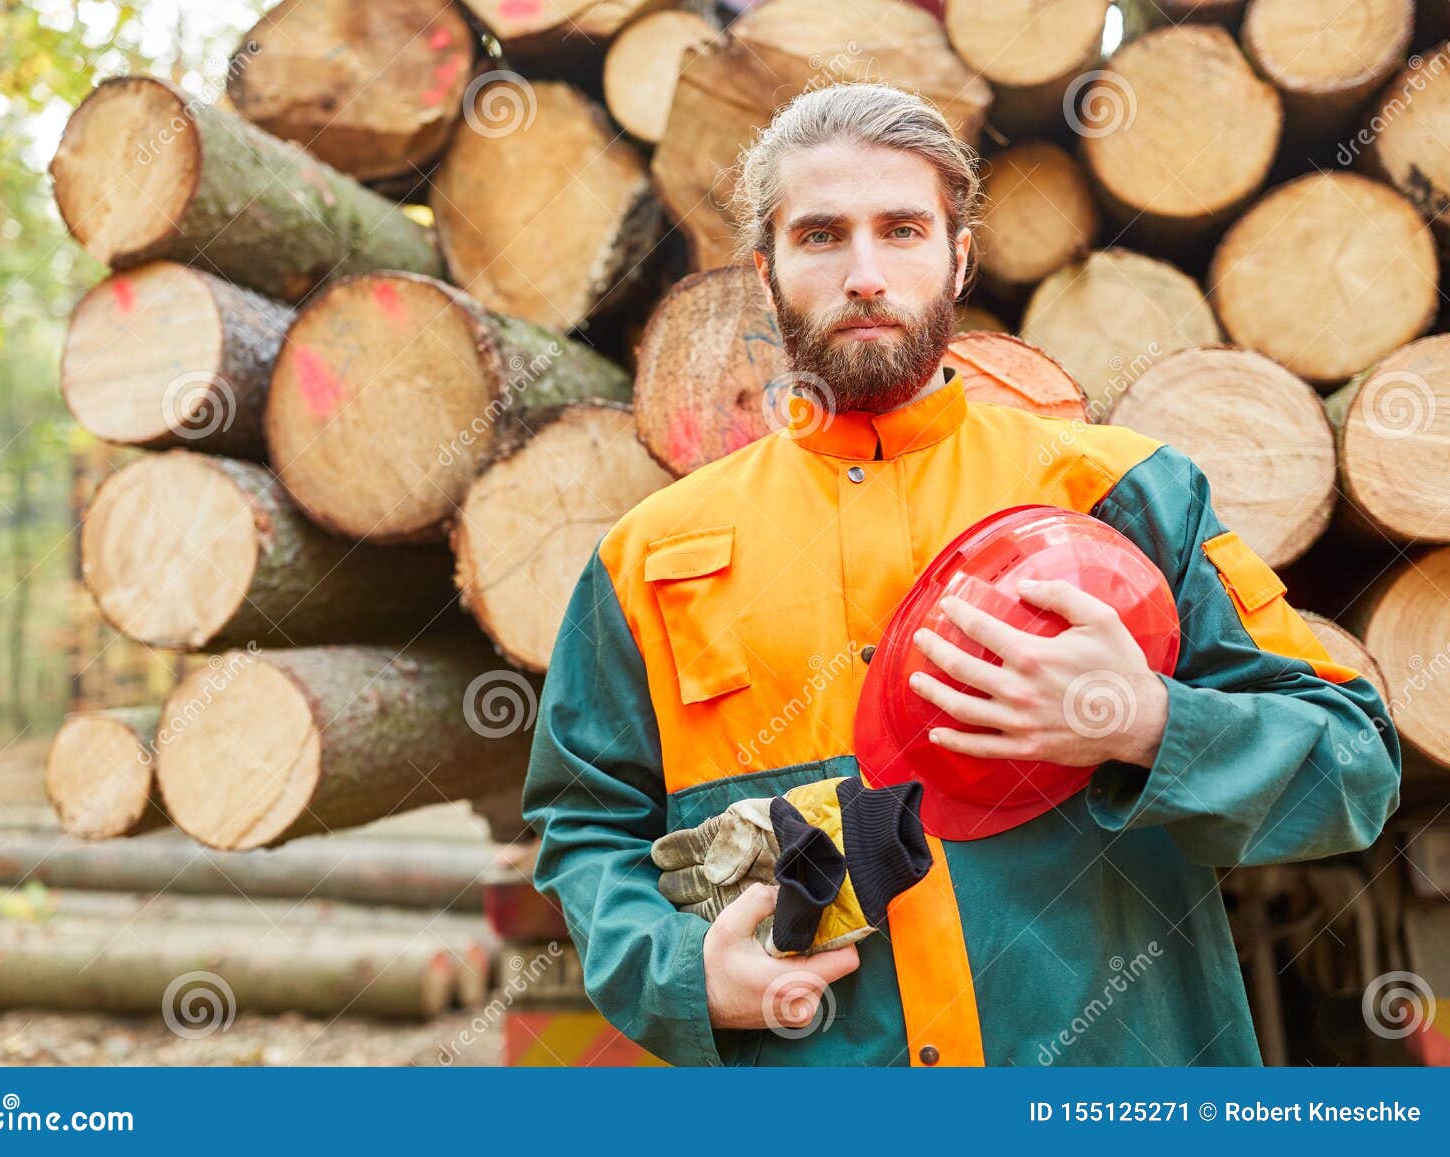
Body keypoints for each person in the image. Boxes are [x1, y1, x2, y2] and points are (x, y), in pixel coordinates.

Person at [520, 81, 1401, 1066]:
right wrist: (680, 971)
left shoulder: (1116, 494)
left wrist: (1142, 720)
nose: (864, 273)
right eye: (821, 236)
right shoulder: (647, 557)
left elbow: (1350, 767)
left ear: (959, 256)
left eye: (902, 229)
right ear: (765, 276)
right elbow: (587, 827)